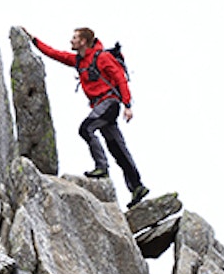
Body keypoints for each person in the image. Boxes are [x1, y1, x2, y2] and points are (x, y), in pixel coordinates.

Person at [31, 27, 149, 206]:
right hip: (101, 106)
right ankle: (137, 187)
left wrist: (127, 105)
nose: (71, 41)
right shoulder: (79, 60)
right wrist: (34, 40)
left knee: (86, 128)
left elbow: (120, 79)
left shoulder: (102, 57)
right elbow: (56, 54)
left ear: (83, 41)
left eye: (74, 38)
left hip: (109, 103)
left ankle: (102, 168)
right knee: (117, 148)